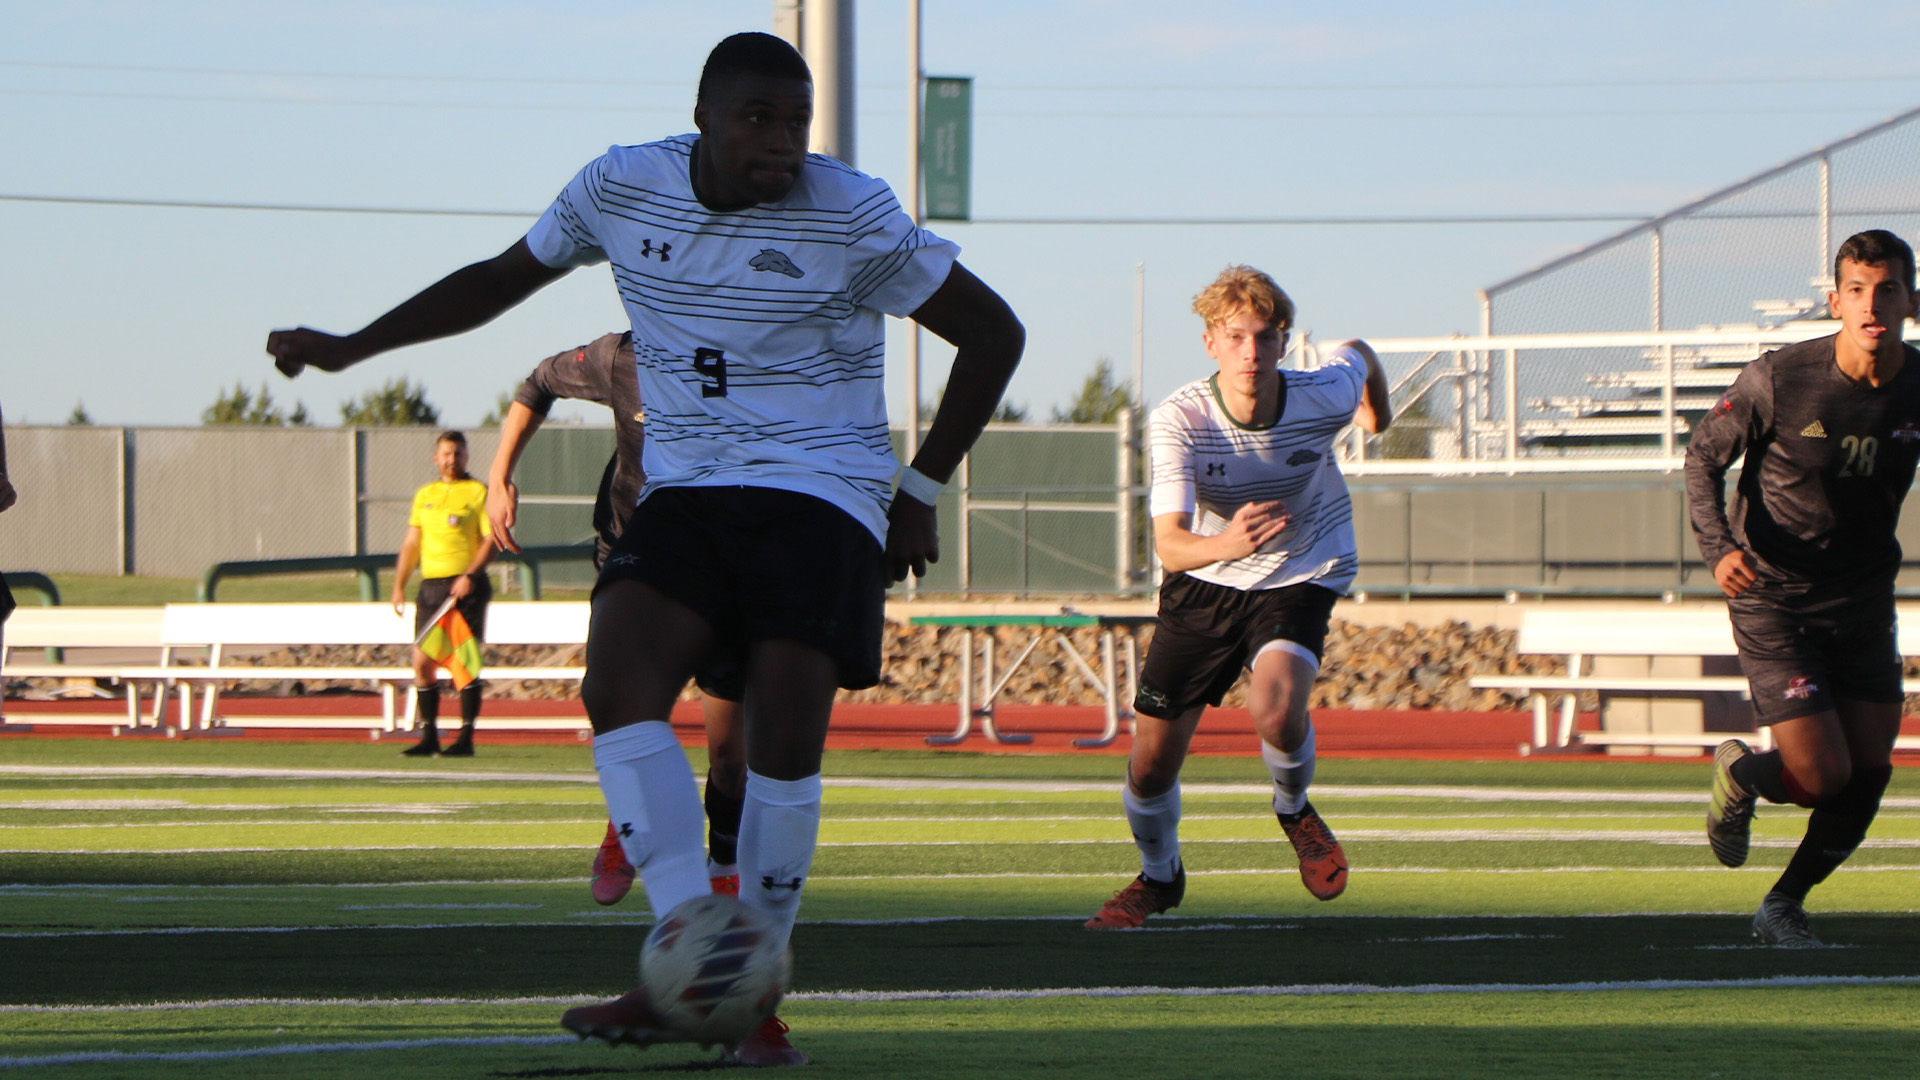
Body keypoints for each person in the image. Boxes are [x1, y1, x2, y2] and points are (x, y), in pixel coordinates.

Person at [266, 32, 1023, 1066]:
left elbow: (995, 335)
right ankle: (689, 956)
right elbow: (498, 279)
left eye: (796, 122)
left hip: (824, 494)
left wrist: (921, 490)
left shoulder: (851, 210)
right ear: (705, 116)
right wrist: (352, 345)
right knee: (616, 679)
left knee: (777, 743)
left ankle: (751, 993)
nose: (783, 143)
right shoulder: (623, 184)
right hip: (691, 488)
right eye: (760, 119)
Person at [1086, 265, 1390, 930]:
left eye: (1263, 337)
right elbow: (1170, 544)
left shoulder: (1323, 396)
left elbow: (1359, 354)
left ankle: (1293, 809)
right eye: (1235, 337)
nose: (1250, 353)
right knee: (1149, 768)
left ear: (1284, 341)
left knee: (1275, 709)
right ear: (1210, 344)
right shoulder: (1180, 420)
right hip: (1204, 576)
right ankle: (1160, 878)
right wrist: (1226, 545)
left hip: (1301, 567)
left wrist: (1380, 411)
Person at [1688, 228, 1920, 948]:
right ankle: (1745, 774)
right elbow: (1702, 459)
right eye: (1857, 290)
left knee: (1870, 769)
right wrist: (1719, 548)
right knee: (1821, 777)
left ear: (1910, 298)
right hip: (1773, 595)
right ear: (1835, 300)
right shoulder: (1782, 378)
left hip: (1862, 598)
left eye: (1886, 289)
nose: (1872, 304)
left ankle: (1784, 903)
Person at [485, 332, 747, 906]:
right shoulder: (622, 356)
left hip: (726, 556)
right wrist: (498, 474)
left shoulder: (759, 351)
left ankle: (725, 859)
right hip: (635, 549)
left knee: (730, 755)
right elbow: (538, 382)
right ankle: (626, 822)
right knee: (616, 699)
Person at [393, 430, 496, 757]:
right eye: (446, 454)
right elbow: (412, 543)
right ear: (435, 458)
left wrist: (470, 575)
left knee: (464, 662)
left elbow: (490, 540)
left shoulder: (478, 492)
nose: (452, 460)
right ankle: (429, 737)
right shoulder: (425, 494)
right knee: (422, 661)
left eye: (458, 454)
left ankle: (465, 738)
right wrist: (398, 585)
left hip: (464, 587)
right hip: (431, 587)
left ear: (466, 457)